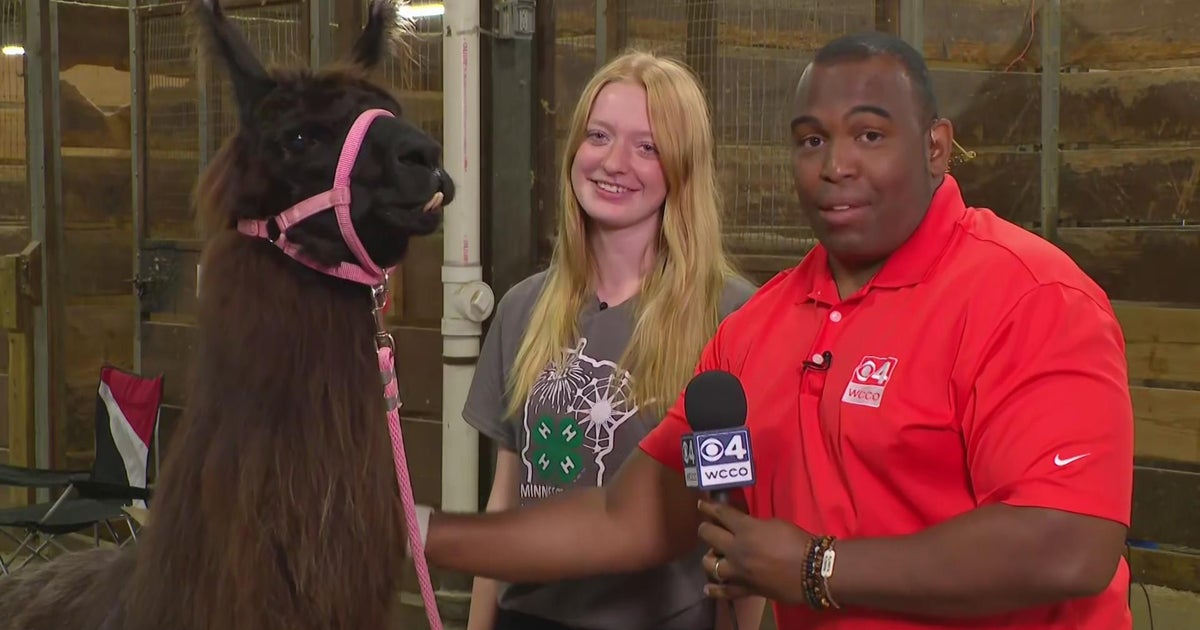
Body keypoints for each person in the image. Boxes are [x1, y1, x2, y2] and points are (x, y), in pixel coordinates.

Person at [419, 31, 1133, 630]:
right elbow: (621, 521)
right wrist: (414, 531)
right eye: (811, 140)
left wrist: (816, 568)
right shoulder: (757, 333)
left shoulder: (1030, 296)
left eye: (870, 134)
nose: (836, 165)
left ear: (937, 147)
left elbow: (1066, 543)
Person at [460, 49, 760, 630]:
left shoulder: (730, 318)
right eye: (599, 136)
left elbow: (739, 523)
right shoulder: (524, 308)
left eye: (647, 147)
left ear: (681, 168)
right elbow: (502, 502)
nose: (615, 162)